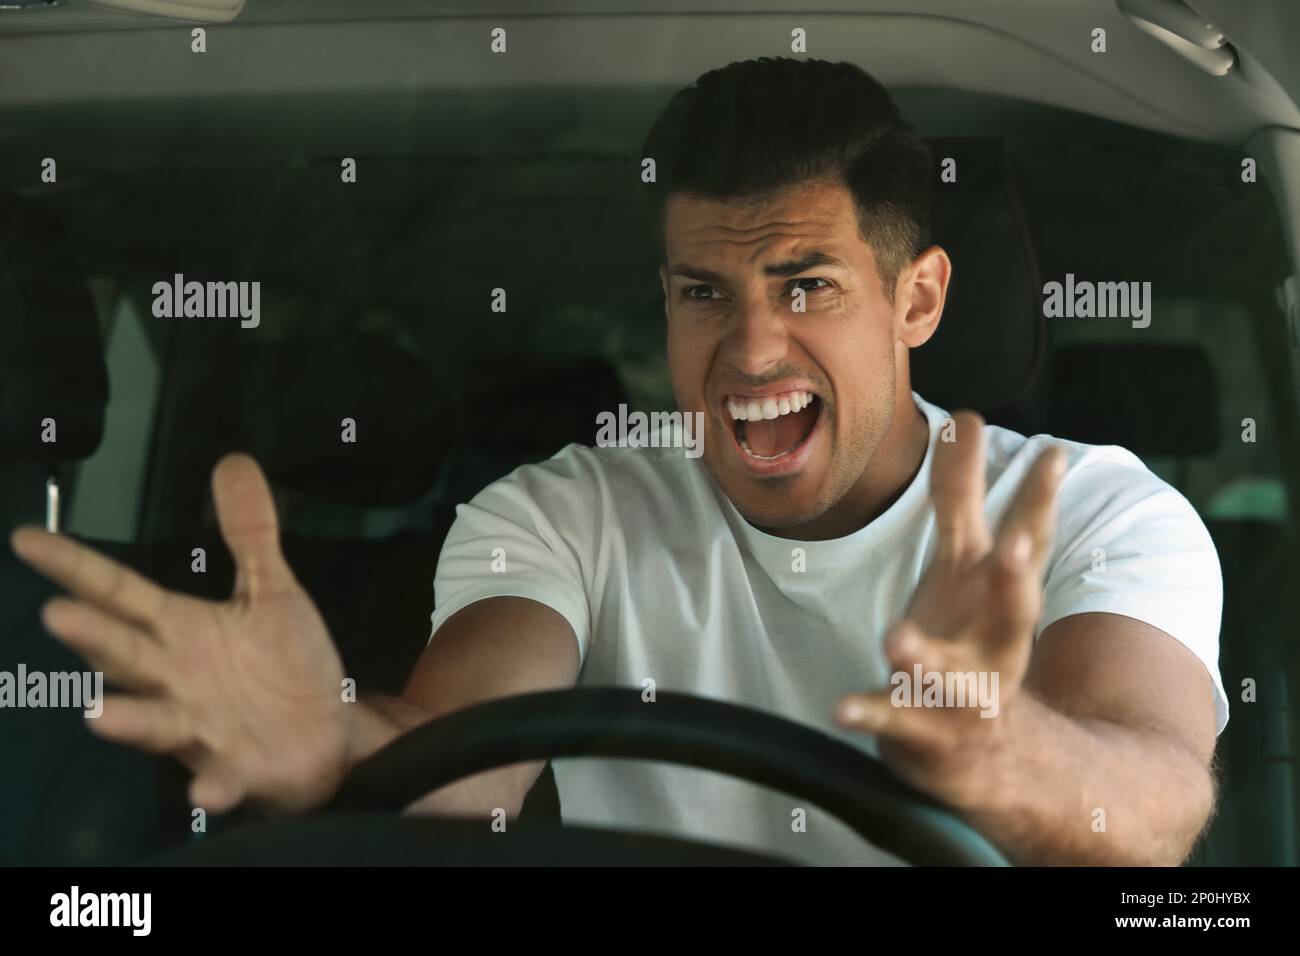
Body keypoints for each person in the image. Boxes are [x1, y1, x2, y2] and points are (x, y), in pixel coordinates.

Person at [10, 57, 1224, 866]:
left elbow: (1158, 799)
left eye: (806, 284)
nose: (749, 346)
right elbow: (465, 769)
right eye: (705, 291)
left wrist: (1002, 745)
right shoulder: (562, 511)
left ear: (917, 299)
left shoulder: (1092, 509)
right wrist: (329, 749)